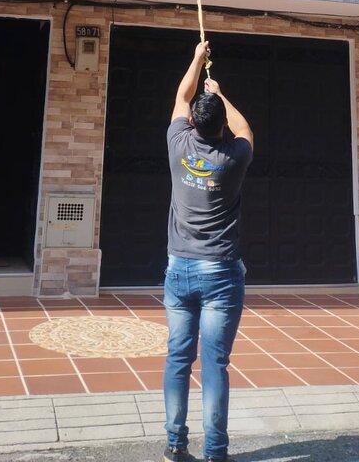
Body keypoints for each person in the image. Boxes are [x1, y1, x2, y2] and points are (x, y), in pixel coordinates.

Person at [163, 41, 254, 462]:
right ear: (220, 126)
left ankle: (174, 444)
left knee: (179, 358)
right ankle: (215, 452)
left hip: (178, 270)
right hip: (220, 273)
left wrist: (198, 59)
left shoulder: (177, 143)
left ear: (194, 124)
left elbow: (183, 97)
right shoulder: (234, 156)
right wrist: (221, 92)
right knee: (215, 364)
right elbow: (245, 128)